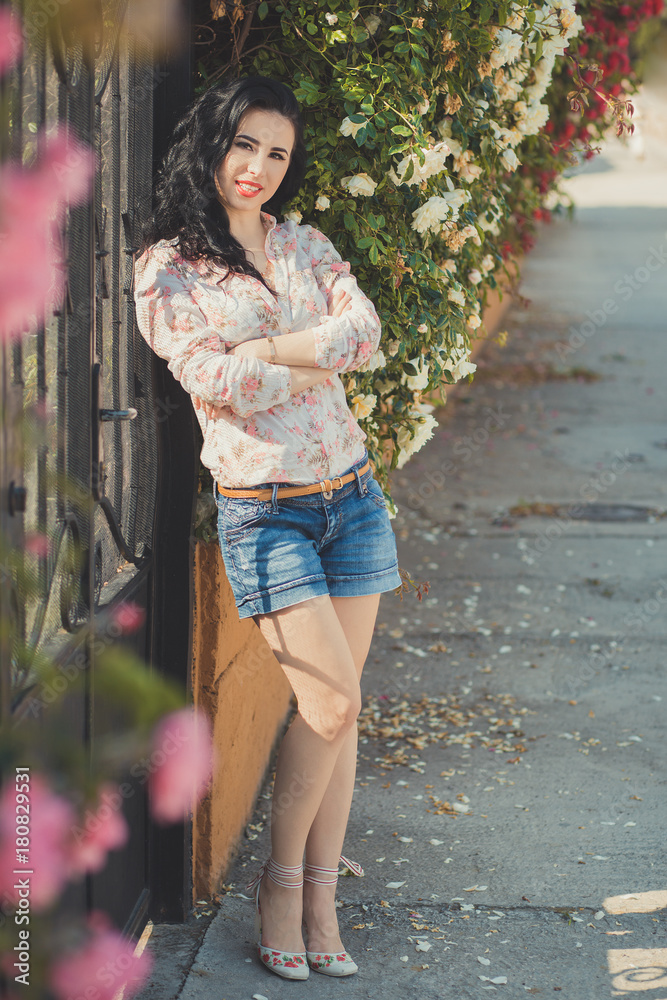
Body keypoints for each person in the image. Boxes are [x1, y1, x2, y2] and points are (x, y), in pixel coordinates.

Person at [133, 75, 402, 981]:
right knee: (329, 704)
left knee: (342, 709)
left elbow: (361, 337)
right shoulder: (168, 266)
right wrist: (302, 358)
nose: (257, 168)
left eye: (276, 153)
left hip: (352, 496)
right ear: (212, 142)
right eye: (243, 144)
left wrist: (267, 350)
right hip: (269, 511)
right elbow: (214, 380)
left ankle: (322, 893)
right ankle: (279, 887)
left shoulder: (306, 244)